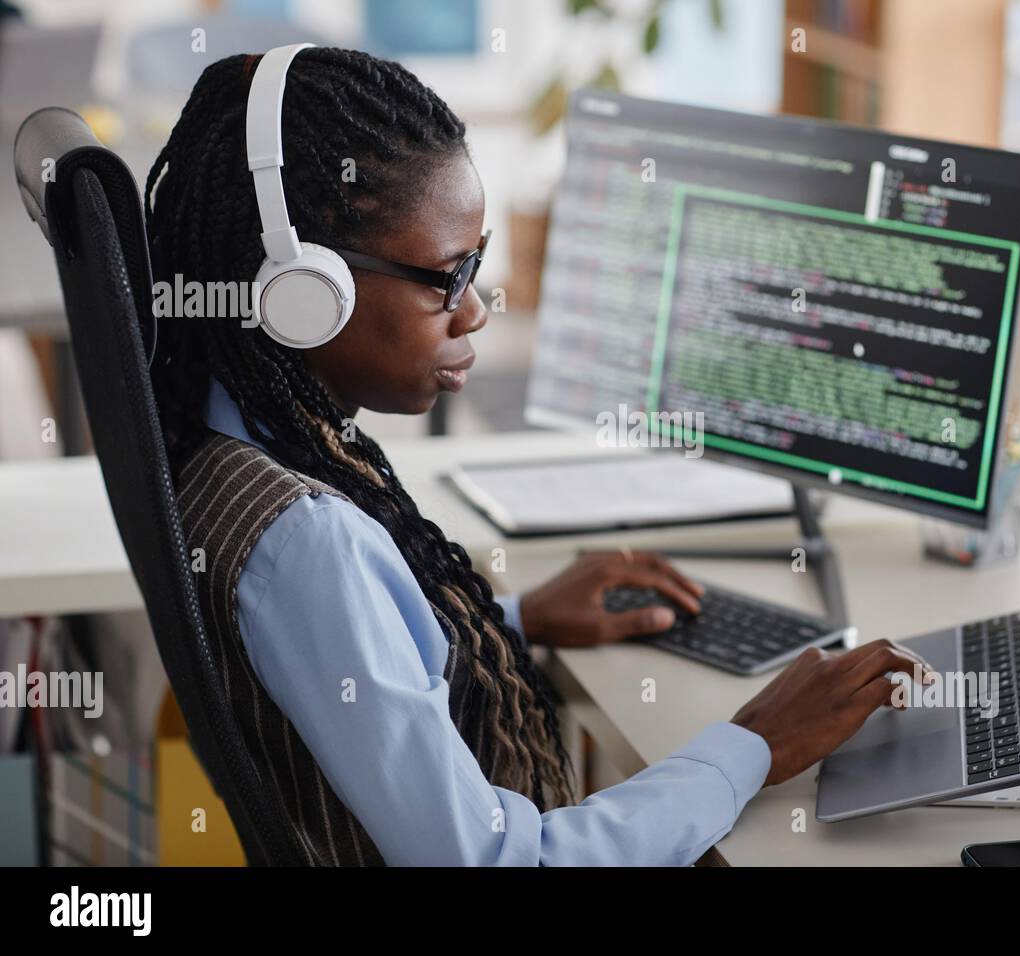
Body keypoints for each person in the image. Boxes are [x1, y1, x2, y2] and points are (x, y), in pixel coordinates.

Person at [145, 46, 932, 866]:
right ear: (303, 289)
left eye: (478, 266)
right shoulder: (309, 541)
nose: (477, 311)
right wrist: (753, 744)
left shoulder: (222, 432)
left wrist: (501, 626)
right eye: (448, 277)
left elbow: (350, 669)